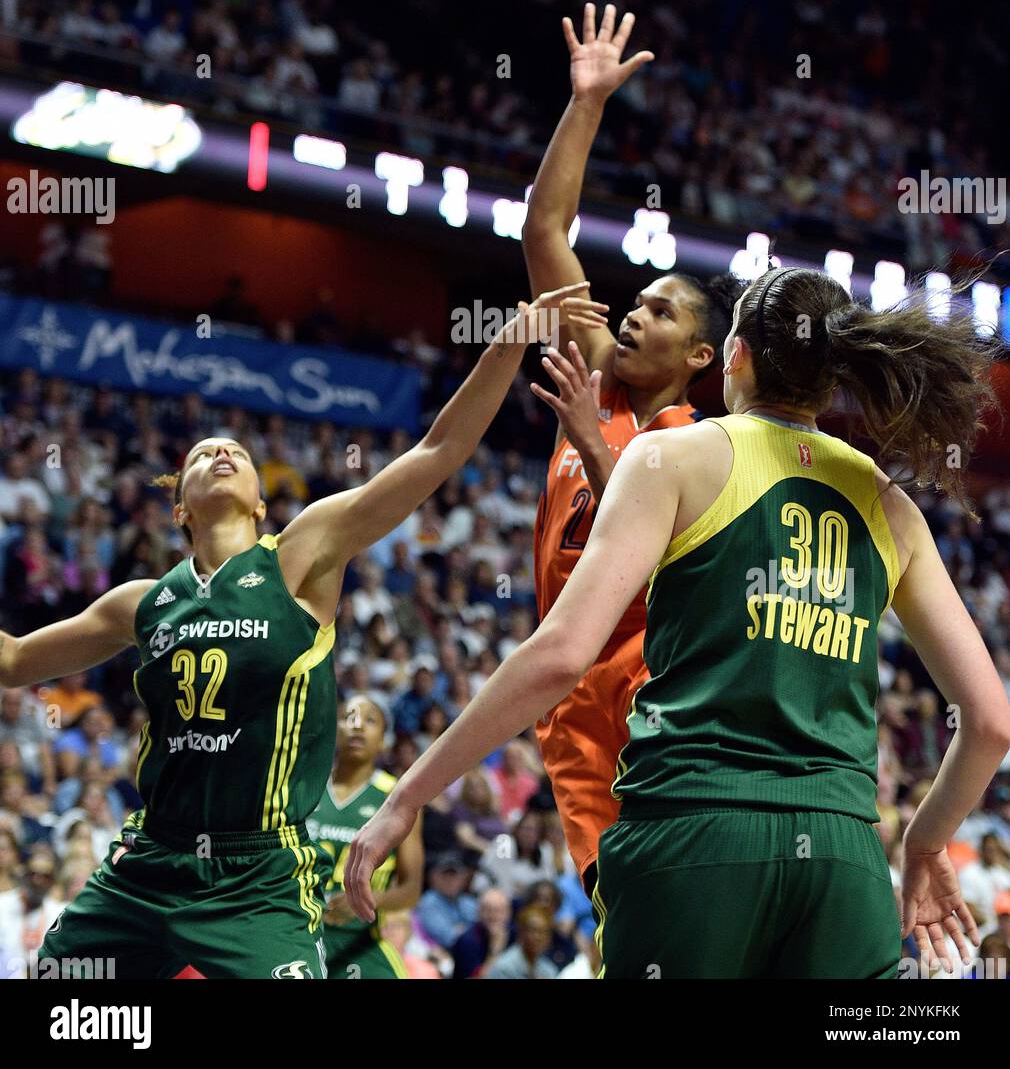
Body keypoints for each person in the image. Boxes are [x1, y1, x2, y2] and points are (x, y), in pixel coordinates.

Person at [346, 266, 1010, 979]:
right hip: (842, 859)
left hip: (694, 838)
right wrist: (926, 842)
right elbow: (991, 721)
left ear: (734, 357)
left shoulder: (671, 457)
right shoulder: (891, 506)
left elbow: (561, 656)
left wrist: (408, 794)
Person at [0, 284, 583, 979]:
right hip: (149, 865)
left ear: (261, 500)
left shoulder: (300, 557)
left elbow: (438, 450)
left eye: (235, 454)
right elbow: (11, 661)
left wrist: (507, 342)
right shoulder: (140, 603)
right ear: (181, 508)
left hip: (258, 875)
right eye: (200, 456)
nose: (218, 453)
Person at [522, 2, 741, 892]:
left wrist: (589, 441)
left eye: (660, 310)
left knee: (672, 906)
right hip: (568, 688)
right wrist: (588, 104)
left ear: (699, 356)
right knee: (617, 912)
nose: (633, 312)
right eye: (635, 302)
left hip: (654, 684)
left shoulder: (701, 441)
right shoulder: (599, 379)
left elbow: (668, 557)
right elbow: (544, 231)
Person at [307, 694, 422, 980]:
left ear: (384, 740)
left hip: (358, 939)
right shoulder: (306, 786)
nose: (357, 726)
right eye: (348, 718)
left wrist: (367, 899)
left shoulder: (397, 797)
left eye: (370, 720)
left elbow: (411, 890)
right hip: (297, 930)